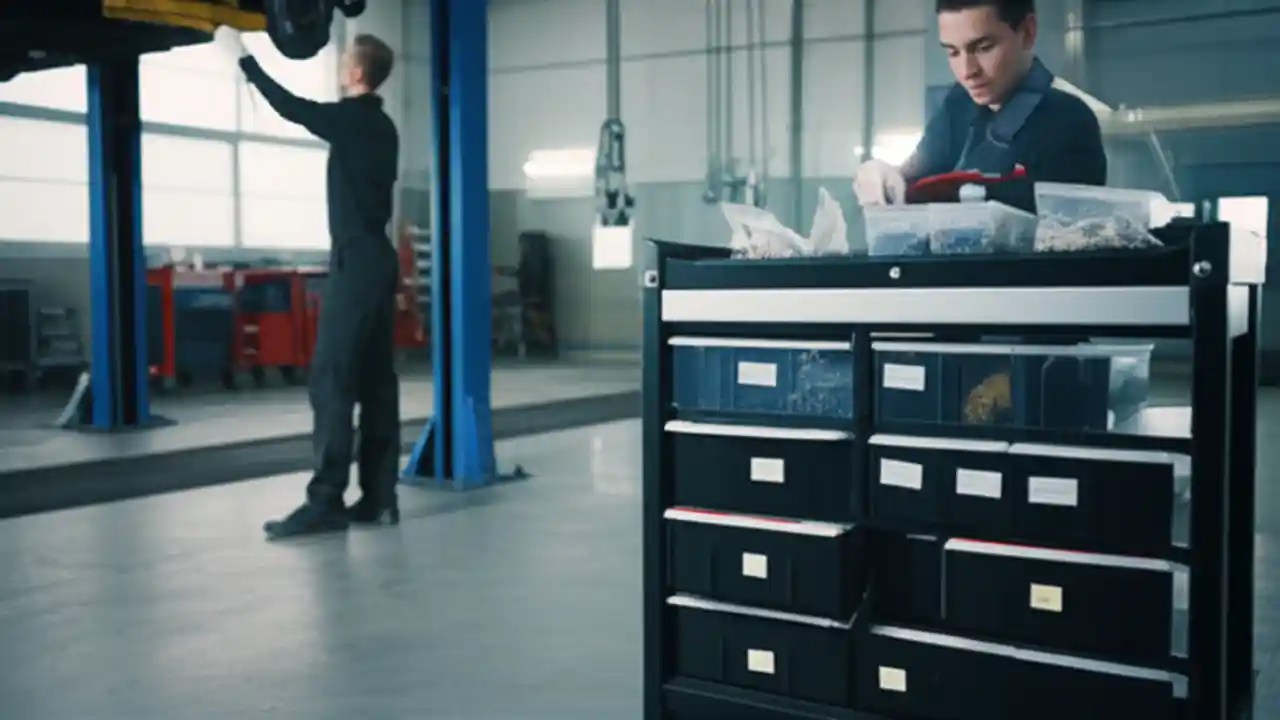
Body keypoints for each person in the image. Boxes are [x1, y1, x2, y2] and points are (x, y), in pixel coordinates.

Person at [216, 28, 403, 539]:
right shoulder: (383, 127)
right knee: (376, 381)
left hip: (357, 260)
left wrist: (245, 62)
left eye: (345, 61)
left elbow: (289, 106)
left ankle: (324, 502)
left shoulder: (352, 119)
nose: (341, 67)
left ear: (358, 73)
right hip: (379, 260)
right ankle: (380, 499)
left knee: (331, 378)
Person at [854, 0, 1106, 212]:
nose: (967, 72)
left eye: (984, 48)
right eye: (953, 52)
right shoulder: (959, 105)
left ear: (1027, 32)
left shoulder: (1069, 120)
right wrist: (884, 175)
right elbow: (920, 172)